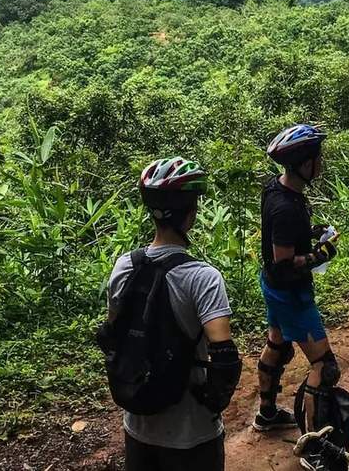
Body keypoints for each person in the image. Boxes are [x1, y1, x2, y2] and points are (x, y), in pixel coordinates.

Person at [108, 157, 239, 471]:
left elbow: (115, 335)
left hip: (137, 423)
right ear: (190, 214)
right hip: (191, 434)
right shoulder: (203, 277)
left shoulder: (125, 265)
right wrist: (213, 400)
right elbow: (224, 357)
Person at [252, 124, 340, 469]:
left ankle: (267, 413)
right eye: (318, 157)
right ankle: (315, 447)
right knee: (325, 366)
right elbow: (285, 264)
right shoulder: (287, 208)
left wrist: (311, 236)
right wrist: (320, 255)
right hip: (290, 294)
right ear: (304, 163)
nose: (322, 163)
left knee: (278, 345)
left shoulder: (276, 189)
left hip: (273, 289)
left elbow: (282, 242)